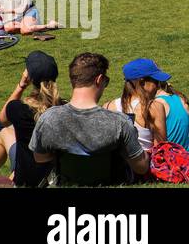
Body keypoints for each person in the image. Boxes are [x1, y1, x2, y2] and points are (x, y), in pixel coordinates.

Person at [30, 52, 151, 186]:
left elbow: (40, 157)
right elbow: (141, 167)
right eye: (106, 81)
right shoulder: (120, 123)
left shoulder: (48, 118)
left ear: (73, 80)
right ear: (99, 79)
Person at [0, 51, 61, 187]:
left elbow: (2, 119)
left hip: (28, 178)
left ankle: (13, 178)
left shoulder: (18, 109)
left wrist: (21, 85)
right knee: (6, 132)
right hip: (53, 174)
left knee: (2, 133)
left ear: (29, 76)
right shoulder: (64, 107)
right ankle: (12, 175)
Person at [104, 58, 172, 160]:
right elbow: (161, 152)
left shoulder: (108, 106)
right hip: (143, 172)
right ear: (142, 82)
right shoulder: (154, 107)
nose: (158, 86)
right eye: (155, 81)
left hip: (115, 172)